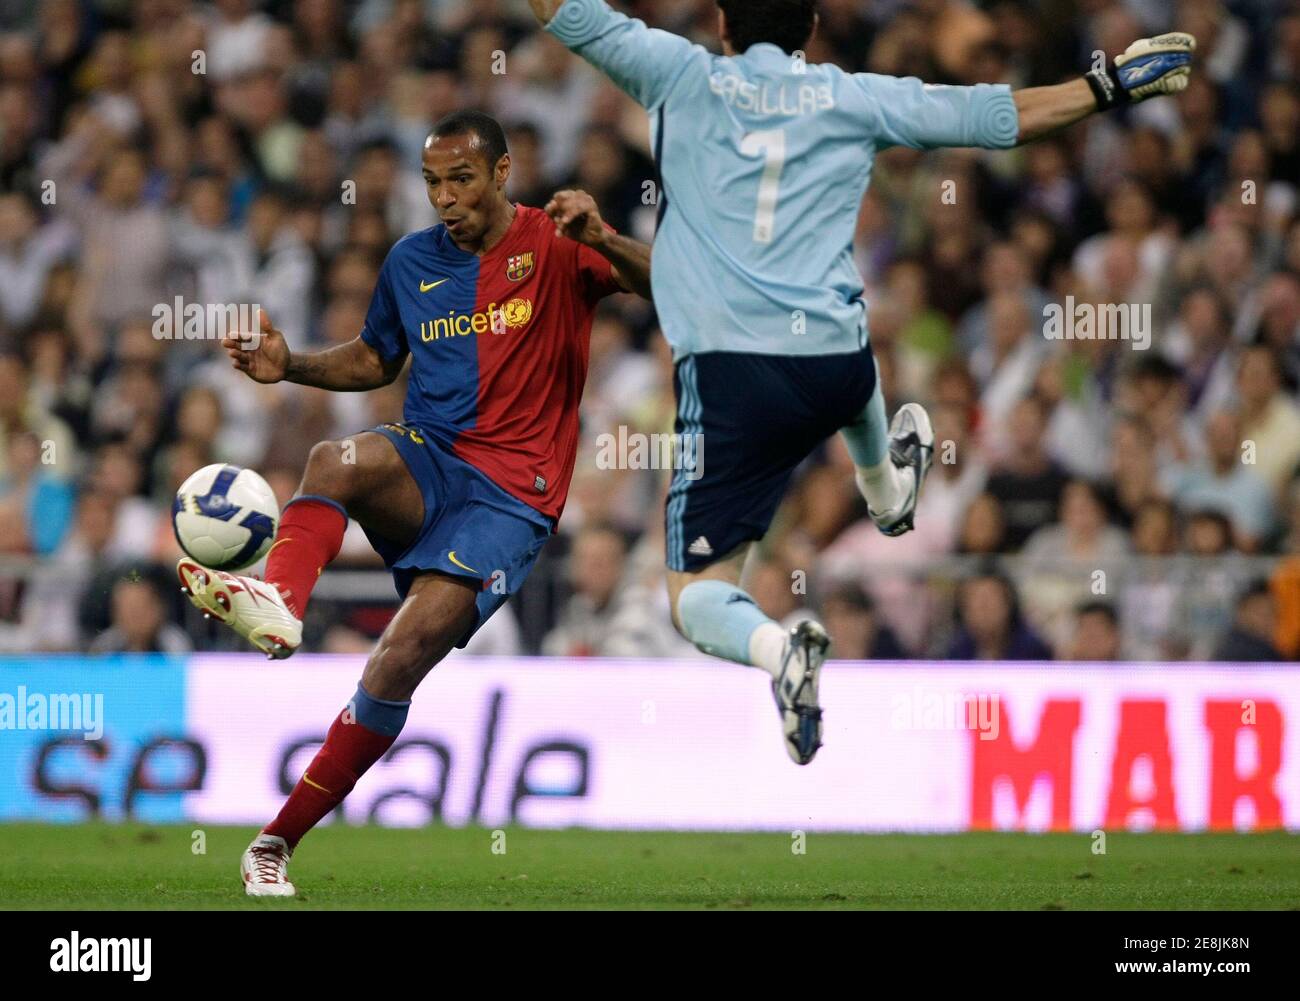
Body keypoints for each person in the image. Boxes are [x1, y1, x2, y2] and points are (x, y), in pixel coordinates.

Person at [528, 0, 1196, 763]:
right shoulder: (851, 95)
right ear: (810, 30)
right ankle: (886, 487)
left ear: (721, 25)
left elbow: (562, 11)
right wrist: (1106, 87)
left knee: (697, 594)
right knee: (848, 352)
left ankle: (782, 652)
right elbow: (995, 116)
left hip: (733, 382)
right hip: (839, 367)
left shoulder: (676, 74)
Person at [177, 110, 652, 896]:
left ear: (501, 174)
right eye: (432, 181)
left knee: (397, 659)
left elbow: (663, 287)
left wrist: (602, 236)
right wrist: (290, 362)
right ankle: (279, 601)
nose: (444, 197)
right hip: (430, 458)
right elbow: (373, 358)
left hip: (512, 498)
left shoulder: (558, 239)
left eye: (461, 179)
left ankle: (274, 841)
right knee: (336, 457)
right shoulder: (409, 261)